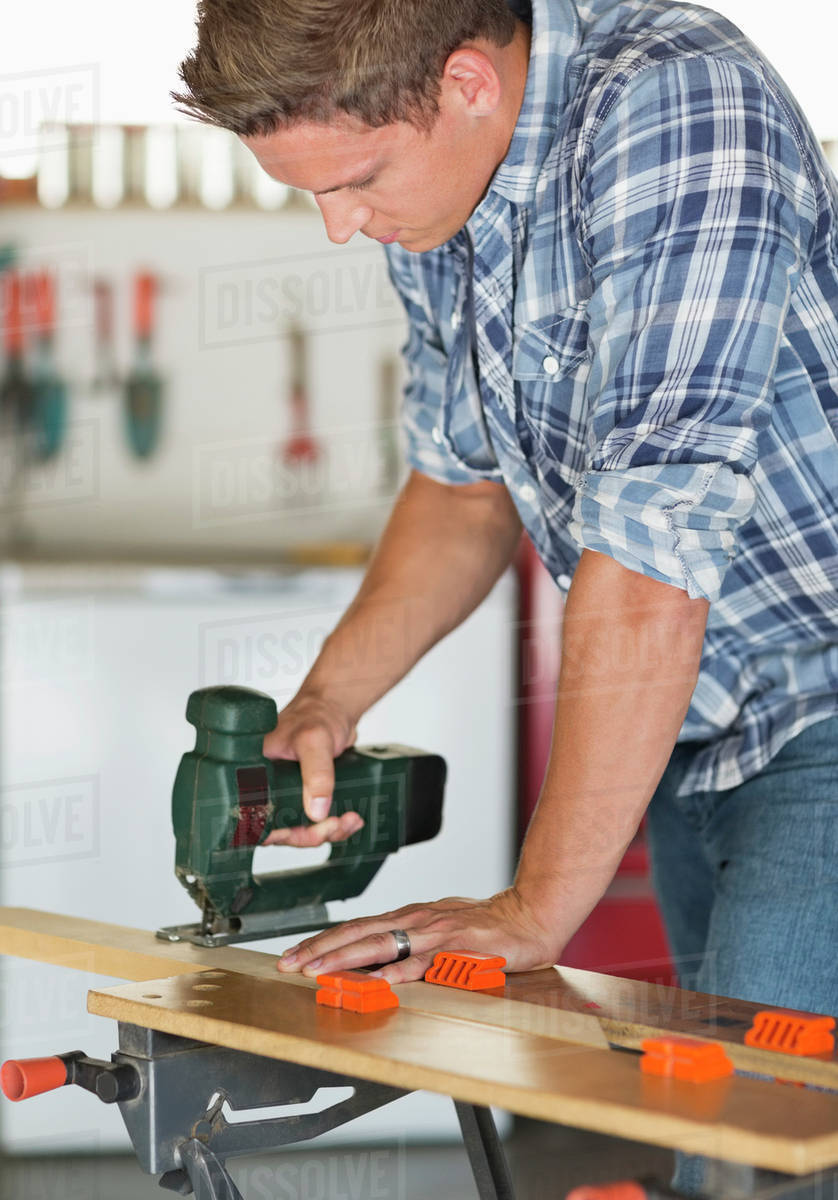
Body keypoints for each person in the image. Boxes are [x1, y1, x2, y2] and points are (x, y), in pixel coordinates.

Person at [174, 0, 838, 1037]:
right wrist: (325, 704)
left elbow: (651, 564)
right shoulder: (449, 183)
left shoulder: (677, 106)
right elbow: (462, 487)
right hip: (697, 725)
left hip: (819, 694)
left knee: (759, 1136)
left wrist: (531, 909)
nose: (339, 224)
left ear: (467, 85)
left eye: (355, 181)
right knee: (713, 1111)